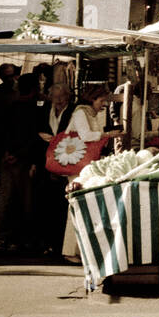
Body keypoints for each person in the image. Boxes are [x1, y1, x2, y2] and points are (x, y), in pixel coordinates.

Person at [60, 90, 124, 263]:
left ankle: (80, 250)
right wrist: (107, 135)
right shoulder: (81, 112)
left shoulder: (92, 114)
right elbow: (85, 135)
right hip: (77, 163)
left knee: (82, 204)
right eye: (101, 100)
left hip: (85, 163)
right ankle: (69, 251)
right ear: (92, 99)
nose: (103, 104)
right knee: (76, 204)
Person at [0, 73, 41, 252]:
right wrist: (20, 155)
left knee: (5, 199)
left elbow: (1, 133)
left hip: (7, 158)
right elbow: (34, 138)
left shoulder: (9, 107)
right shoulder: (34, 109)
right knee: (25, 202)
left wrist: (6, 154)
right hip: (25, 160)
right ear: (35, 89)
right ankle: (22, 239)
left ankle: (0, 238)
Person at [36, 82, 76, 256]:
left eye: (61, 97)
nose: (58, 101)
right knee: (46, 204)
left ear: (67, 97)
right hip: (46, 163)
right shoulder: (45, 109)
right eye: (55, 97)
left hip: (65, 162)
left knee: (61, 204)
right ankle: (48, 242)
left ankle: (59, 243)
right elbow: (37, 131)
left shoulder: (74, 111)